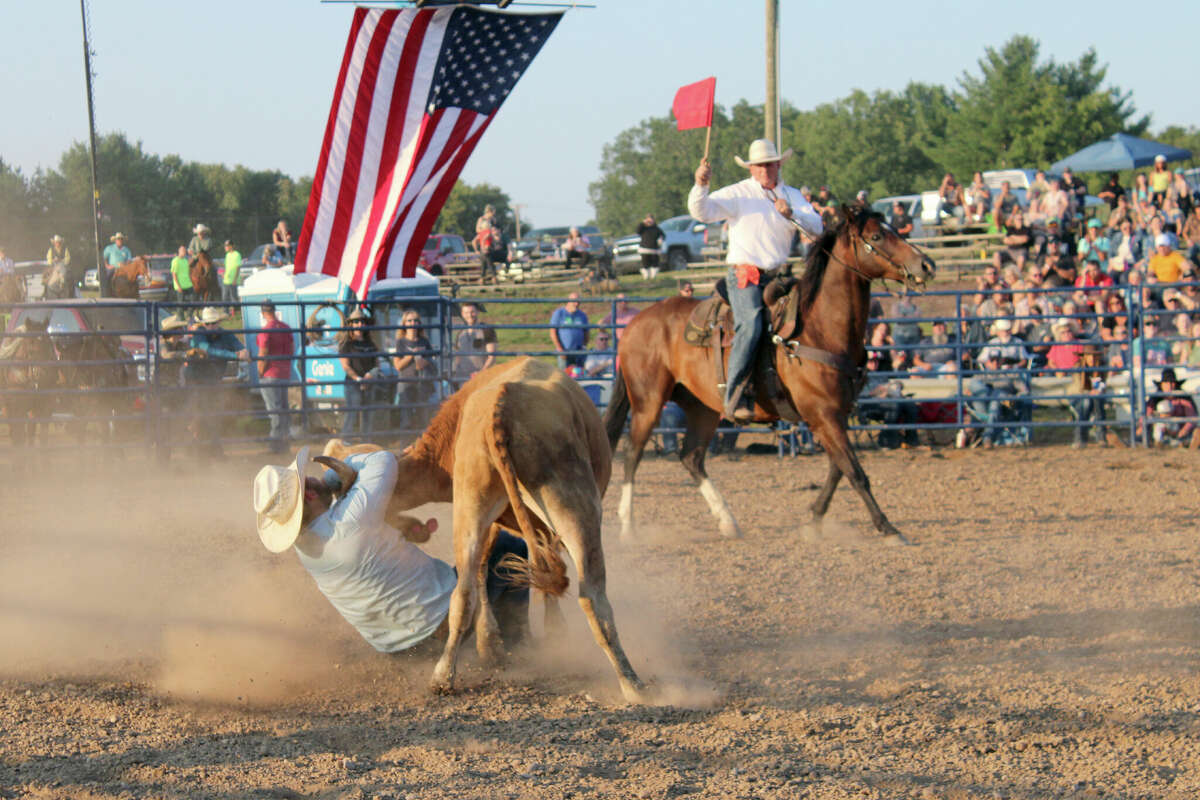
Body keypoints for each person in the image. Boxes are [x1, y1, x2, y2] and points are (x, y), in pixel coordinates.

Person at [252, 448, 529, 657]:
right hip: (443, 622)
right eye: (307, 479)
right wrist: (332, 477)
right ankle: (516, 640)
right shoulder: (352, 519)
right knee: (510, 546)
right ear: (309, 494)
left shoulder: (306, 548)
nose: (313, 479)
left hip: (398, 651)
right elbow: (382, 459)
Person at [687, 138, 823, 421]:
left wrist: (793, 213)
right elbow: (702, 212)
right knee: (749, 323)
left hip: (778, 275)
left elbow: (818, 227)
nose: (765, 170)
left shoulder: (793, 196)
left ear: (778, 165)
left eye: (770, 165)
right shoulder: (739, 194)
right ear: (751, 169)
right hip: (744, 273)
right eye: (760, 166)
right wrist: (701, 186)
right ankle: (736, 394)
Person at [184, 306, 249, 456]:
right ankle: (202, 450)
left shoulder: (226, 335)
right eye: (208, 323)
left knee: (211, 415)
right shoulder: (199, 335)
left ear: (218, 322)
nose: (211, 326)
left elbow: (238, 346)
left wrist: (243, 351)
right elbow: (208, 351)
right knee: (199, 416)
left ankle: (208, 449)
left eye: (214, 323)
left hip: (212, 381)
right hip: (196, 382)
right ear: (203, 324)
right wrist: (236, 355)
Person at [256, 300, 294, 454]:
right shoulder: (285, 328)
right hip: (284, 373)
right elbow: (291, 350)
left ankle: (275, 445)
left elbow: (263, 352)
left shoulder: (266, 330)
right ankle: (285, 442)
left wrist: (260, 371)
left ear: (263, 313)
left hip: (270, 373)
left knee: (274, 411)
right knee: (283, 409)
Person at [339, 308, 382, 437]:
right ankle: (346, 441)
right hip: (353, 383)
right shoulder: (346, 344)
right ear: (351, 324)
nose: (360, 324)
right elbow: (345, 366)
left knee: (367, 415)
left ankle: (366, 441)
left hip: (368, 381)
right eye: (356, 321)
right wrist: (358, 379)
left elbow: (377, 364)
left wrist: (370, 375)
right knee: (352, 413)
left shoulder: (371, 344)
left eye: (362, 321)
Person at [392, 307, 436, 431]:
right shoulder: (400, 342)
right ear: (404, 324)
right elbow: (398, 366)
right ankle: (405, 442)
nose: (413, 324)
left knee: (424, 416)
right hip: (406, 382)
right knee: (406, 417)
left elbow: (432, 359)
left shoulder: (424, 341)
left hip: (422, 381)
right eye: (409, 321)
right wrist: (411, 355)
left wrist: (424, 361)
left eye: (416, 321)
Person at [451, 301, 497, 385]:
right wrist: (454, 372)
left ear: (477, 312)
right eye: (466, 312)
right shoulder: (460, 333)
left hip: (482, 379)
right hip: (463, 379)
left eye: (472, 312)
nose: (469, 315)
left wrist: (481, 373)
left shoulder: (486, 330)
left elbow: (492, 357)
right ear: (462, 314)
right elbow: (458, 357)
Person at [549, 291, 589, 369]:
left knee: (578, 374)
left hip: (578, 352)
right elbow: (553, 332)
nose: (576, 304)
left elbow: (586, 332)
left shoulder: (582, 315)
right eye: (574, 301)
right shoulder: (559, 313)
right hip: (564, 351)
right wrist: (560, 348)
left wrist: (583, 346)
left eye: (578, 302)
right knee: (564, 375)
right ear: (568, 301)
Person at [636, 213, 664, 280]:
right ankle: (646, 276)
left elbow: (663, 235)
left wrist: (661, 239)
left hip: (654, 250)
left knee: (655, 263)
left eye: (651, 219)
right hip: (644, 249)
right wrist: (643, 223)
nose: (650, 221)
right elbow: (637, 231)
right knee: (645, 263)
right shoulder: (643, 228)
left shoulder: (656, 228)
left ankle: (653, 276)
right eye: (648, 219)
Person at [222, 240, 242, 309]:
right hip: (226, 280)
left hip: (233, 280)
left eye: (227, 245)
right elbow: (226, 266)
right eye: (225, 246)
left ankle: (236, 311)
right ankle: (226, 311)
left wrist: (235, 279)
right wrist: (223, 274)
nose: (225, 247)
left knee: (234, 297)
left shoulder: (237, 254)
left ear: (232, 246)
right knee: (225, 297)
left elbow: (238, 267)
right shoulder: (227, 255)